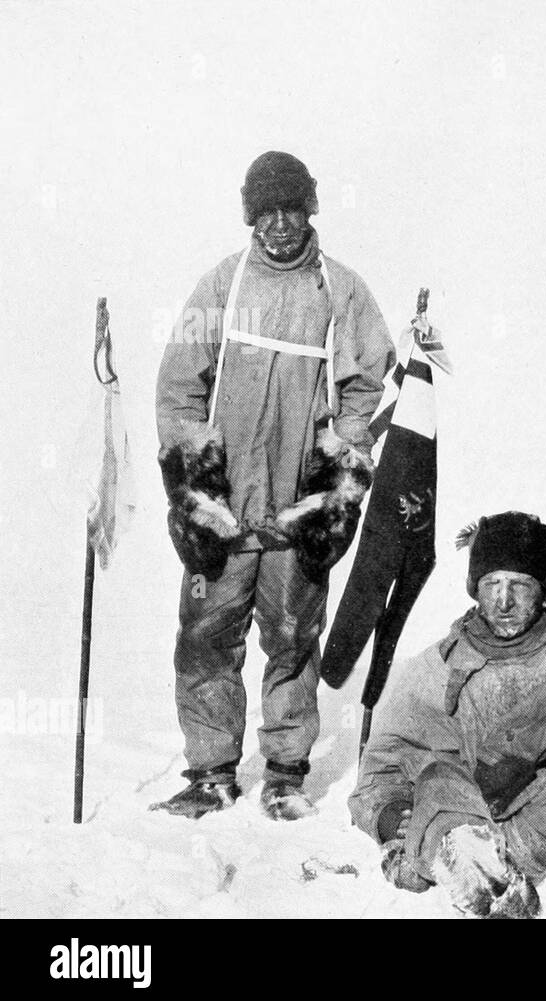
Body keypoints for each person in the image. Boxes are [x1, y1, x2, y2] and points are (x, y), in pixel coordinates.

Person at [152, 151, 394, 820]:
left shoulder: (340, 290)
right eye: (267, 212)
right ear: (250, 217)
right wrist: (196, 491)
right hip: (225, 511)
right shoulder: (221, 286)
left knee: (291, 638)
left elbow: (366, 385)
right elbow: (179, 387)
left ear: (309, 210)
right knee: (206, 637)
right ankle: (211, 773)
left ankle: (286, 773)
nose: (281, 224)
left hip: (294, 511)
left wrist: (335, 473)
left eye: (292, 209)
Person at [349, 512, 546, 919]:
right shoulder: (438, 666)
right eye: (491, 584)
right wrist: (391, 815)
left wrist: (512, 755)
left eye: (520, 584)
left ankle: (476, 860)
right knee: (437, 777)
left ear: (544, 590)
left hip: (543, 809)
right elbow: (382, 767)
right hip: (464, 803)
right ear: (474, 589)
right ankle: (467, 856)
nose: (504, 601)